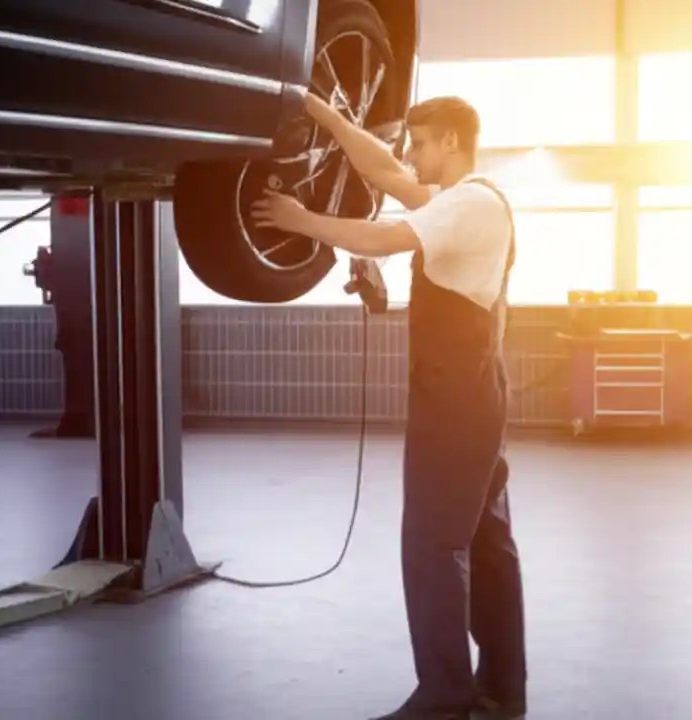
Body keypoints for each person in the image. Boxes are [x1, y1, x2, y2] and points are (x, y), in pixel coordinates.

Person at [252, 94, 527, 720]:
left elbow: (383, 237)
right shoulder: (464, 201)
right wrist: (323, 114)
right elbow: (381, 171)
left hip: (456, 403)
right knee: (485, 540)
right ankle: (504, 688)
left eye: (423, 142)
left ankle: (445, 695)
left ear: (453, 142)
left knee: (432, 544)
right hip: (473, 395)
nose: (412, 153)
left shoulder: (472, 203)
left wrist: (302, 220)